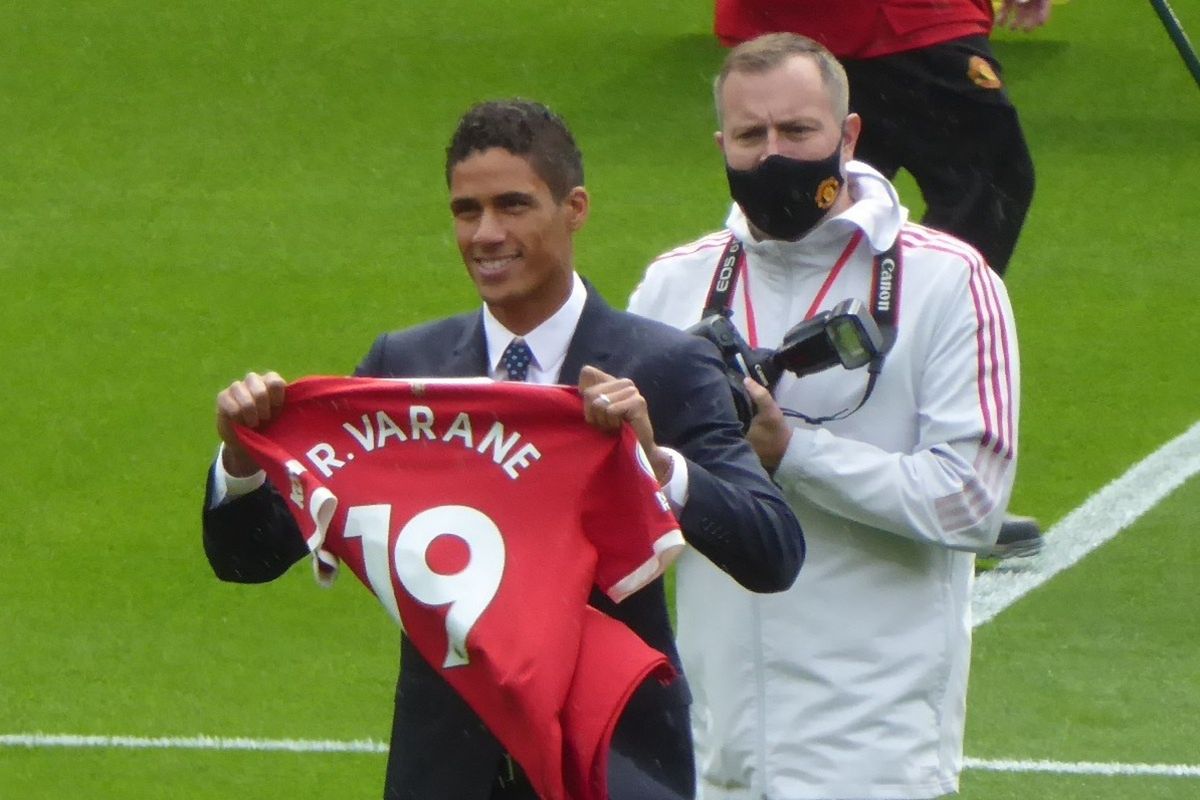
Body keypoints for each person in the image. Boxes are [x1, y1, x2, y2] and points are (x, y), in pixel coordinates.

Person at [202, 99, 805, 800]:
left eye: (513, 206)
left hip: (614, 765)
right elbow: (249, 558)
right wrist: (242, 463)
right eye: (467, 211)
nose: (487, 234)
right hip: (445, 773)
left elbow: (772, 551)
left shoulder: (663, 366)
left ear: (573, 207)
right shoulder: (408, 370)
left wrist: (658, 467)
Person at [628, 33, 1019, 799]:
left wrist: (791, 454)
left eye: (797, 131)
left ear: (848, 136)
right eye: (750, 136)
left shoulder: (948, 281)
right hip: (715, 749)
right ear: (721, 145)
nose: (773, 156)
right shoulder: (675, 287)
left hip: (872, 752)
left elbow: (972, 501)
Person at [712, 0, 1049, 558]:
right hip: (897, 18)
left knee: (801, 204)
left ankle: (781, 432)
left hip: (841, 21)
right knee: (983, 179)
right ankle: (925, 466)